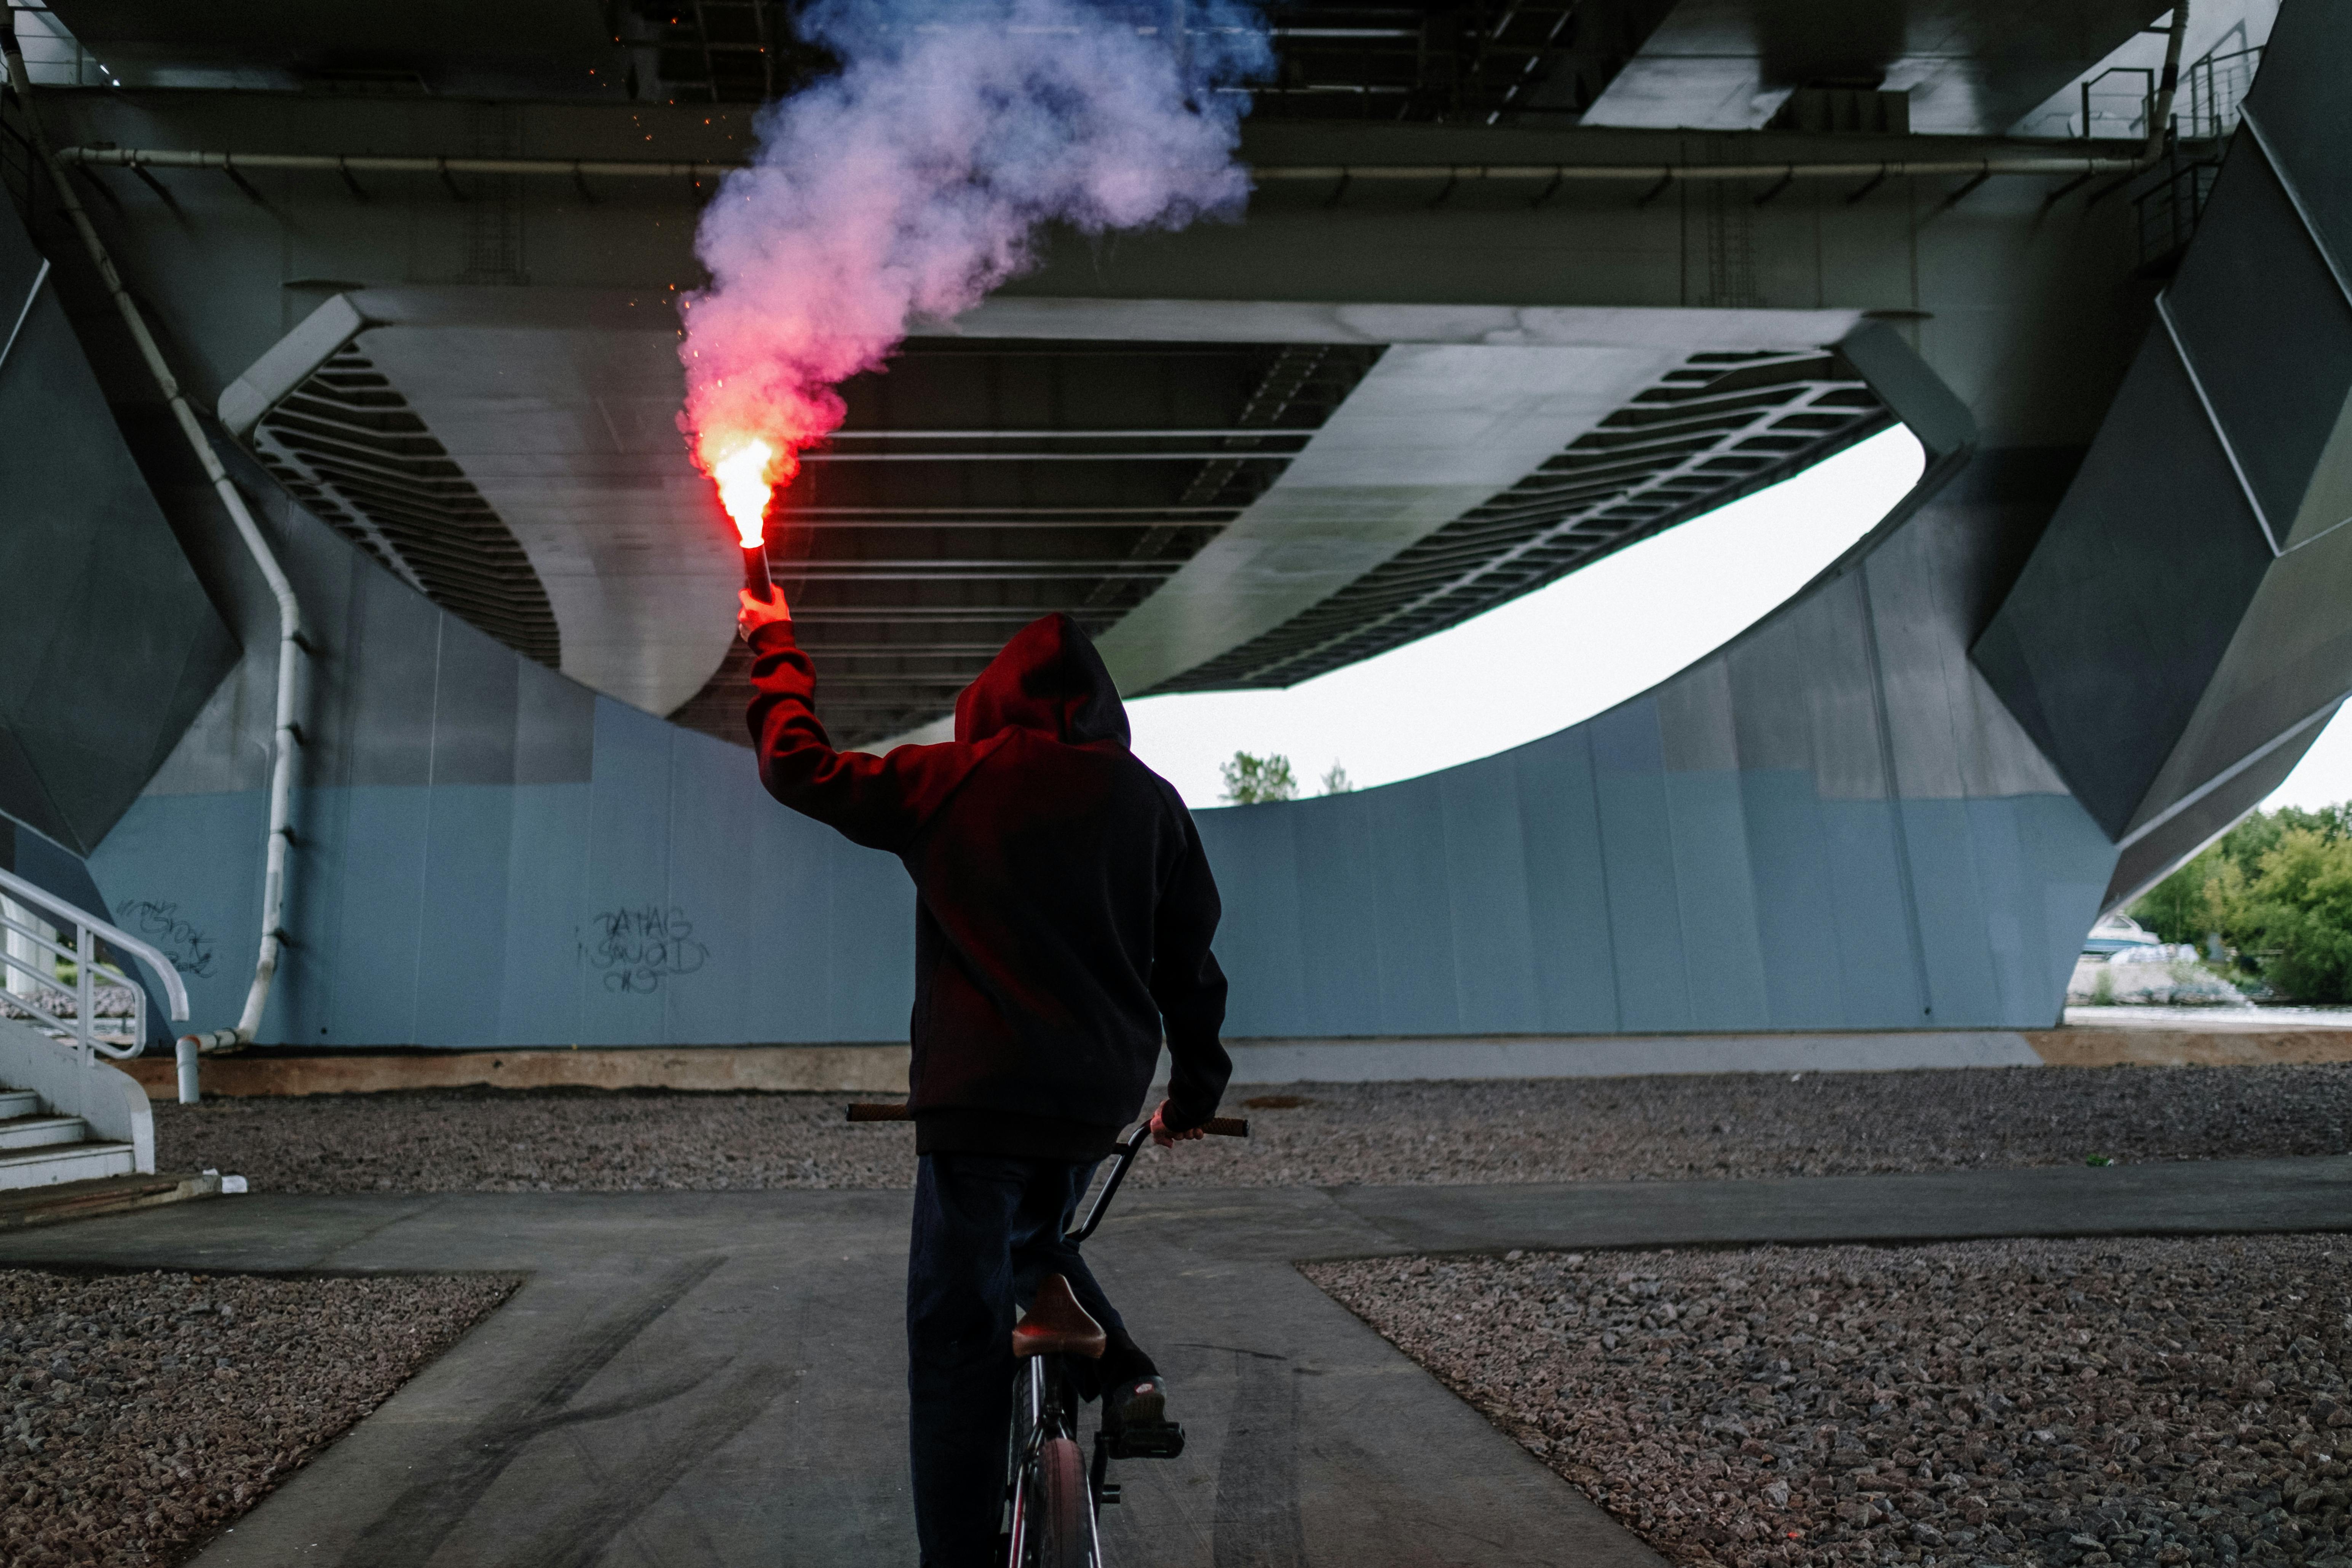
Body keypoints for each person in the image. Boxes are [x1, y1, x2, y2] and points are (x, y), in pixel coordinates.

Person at [738, 583, 1231, 1568]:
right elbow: (1191, 969)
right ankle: (1119, 1366)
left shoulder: (954, 778)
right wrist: (1194, 1096)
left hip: (977, 1097)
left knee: (955, 1349)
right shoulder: (1151, 803)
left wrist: (775, 646)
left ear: (990, 702)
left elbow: (796, 768)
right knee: (1033, 1233)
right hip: (1095, 1099)